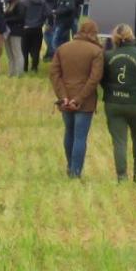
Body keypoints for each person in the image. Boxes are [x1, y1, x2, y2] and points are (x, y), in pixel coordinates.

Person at [49, 17, 105, 180]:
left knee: (69, 132)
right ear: (93, 33)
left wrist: (64, 97)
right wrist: (79, 99)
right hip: (85, 101)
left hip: (65, 99)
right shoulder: (96, 52)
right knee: (80, 136)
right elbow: (95, 79)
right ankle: (75, 172)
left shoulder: (63, 48)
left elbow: (54, 73)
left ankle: (69, 166)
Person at [101, 23, 136, 181]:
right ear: (131, 36)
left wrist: (110, 91)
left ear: (114, 38)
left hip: (113, 103)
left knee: (119, 141)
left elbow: (102, 79)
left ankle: (122, 176)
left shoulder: (107, 56)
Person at [19, 0, 48, 72]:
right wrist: (44, 22)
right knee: (36, 49)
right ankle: (34, 67)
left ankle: (25, 67)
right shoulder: (43, 2)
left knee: (24, 49)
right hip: (38, 28)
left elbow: (20, 15)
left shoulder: (24, 2)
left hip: (26, 28)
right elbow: (48, 13)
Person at [4, 0, 26, 75]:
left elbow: (20, 17)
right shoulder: (9, 4)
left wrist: (6, 20)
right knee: (9, 53)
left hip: (16, 31)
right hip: (8, 31)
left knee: (17, 52)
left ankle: (19, 72)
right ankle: (11, 72)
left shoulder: (19, 3)